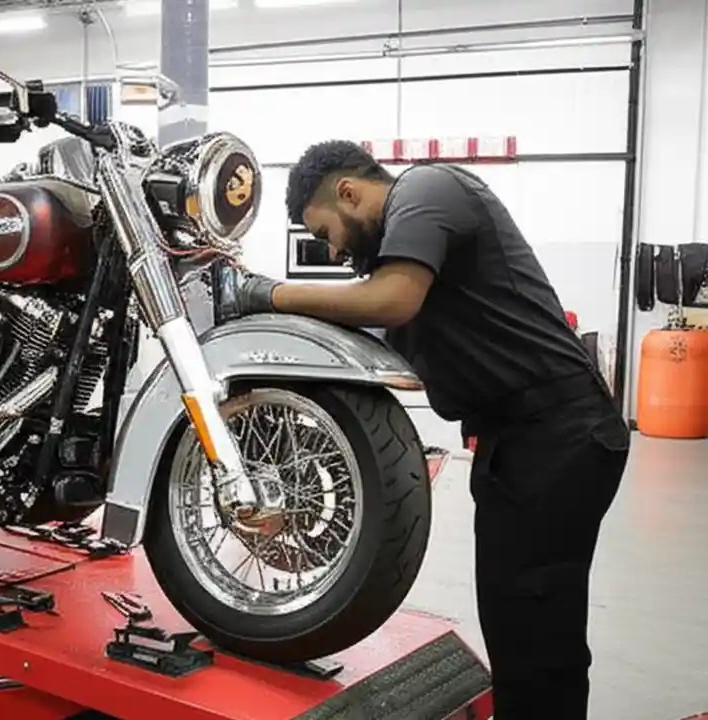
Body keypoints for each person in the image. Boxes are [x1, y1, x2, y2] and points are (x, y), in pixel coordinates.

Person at [238, 140, 630, 719]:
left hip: (558, 436)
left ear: (348, 192)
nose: (334, 251)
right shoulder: (405, 255)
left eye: (326, 233)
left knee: (535, 631)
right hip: (521, 444)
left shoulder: (427, 191)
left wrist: (263, 293)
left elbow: (391, 301)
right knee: (519, 623)